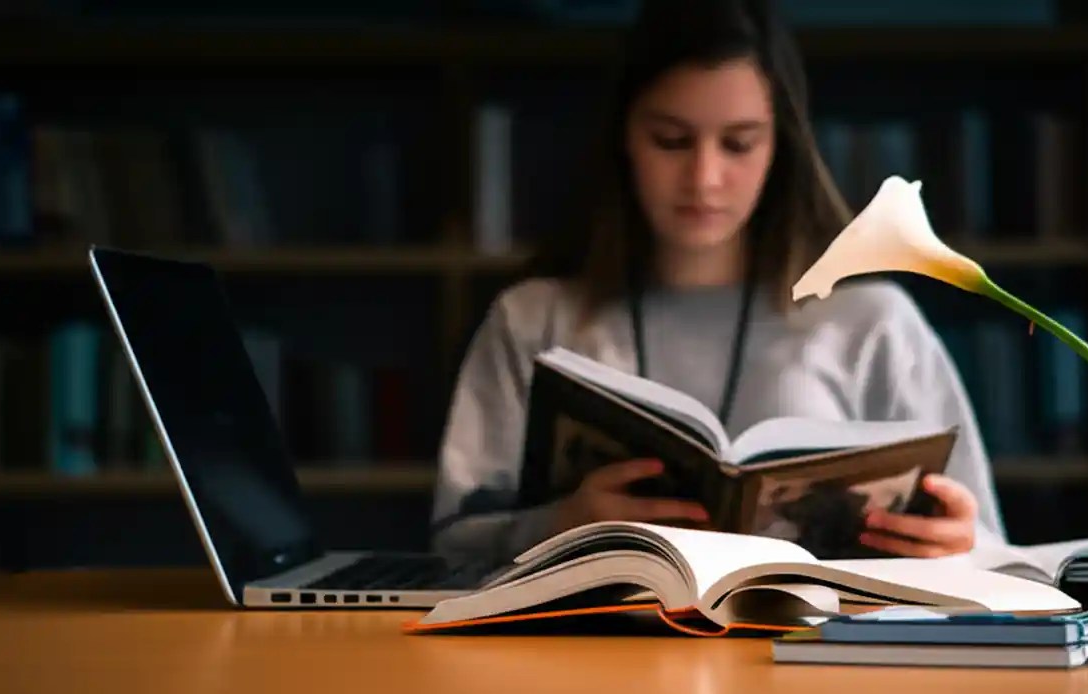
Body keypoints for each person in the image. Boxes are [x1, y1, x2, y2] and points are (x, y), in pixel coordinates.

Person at [429, 0, 1005, 569]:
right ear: (625, 138)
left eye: (739, 143)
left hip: (824, 654)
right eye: (672, 141)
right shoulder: (531, 321)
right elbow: (454, 542)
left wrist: (956, 544)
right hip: (590, 649)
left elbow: (988, 548)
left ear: (780, 147)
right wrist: (558, 526)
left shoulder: (873, 323)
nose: (704, 179)